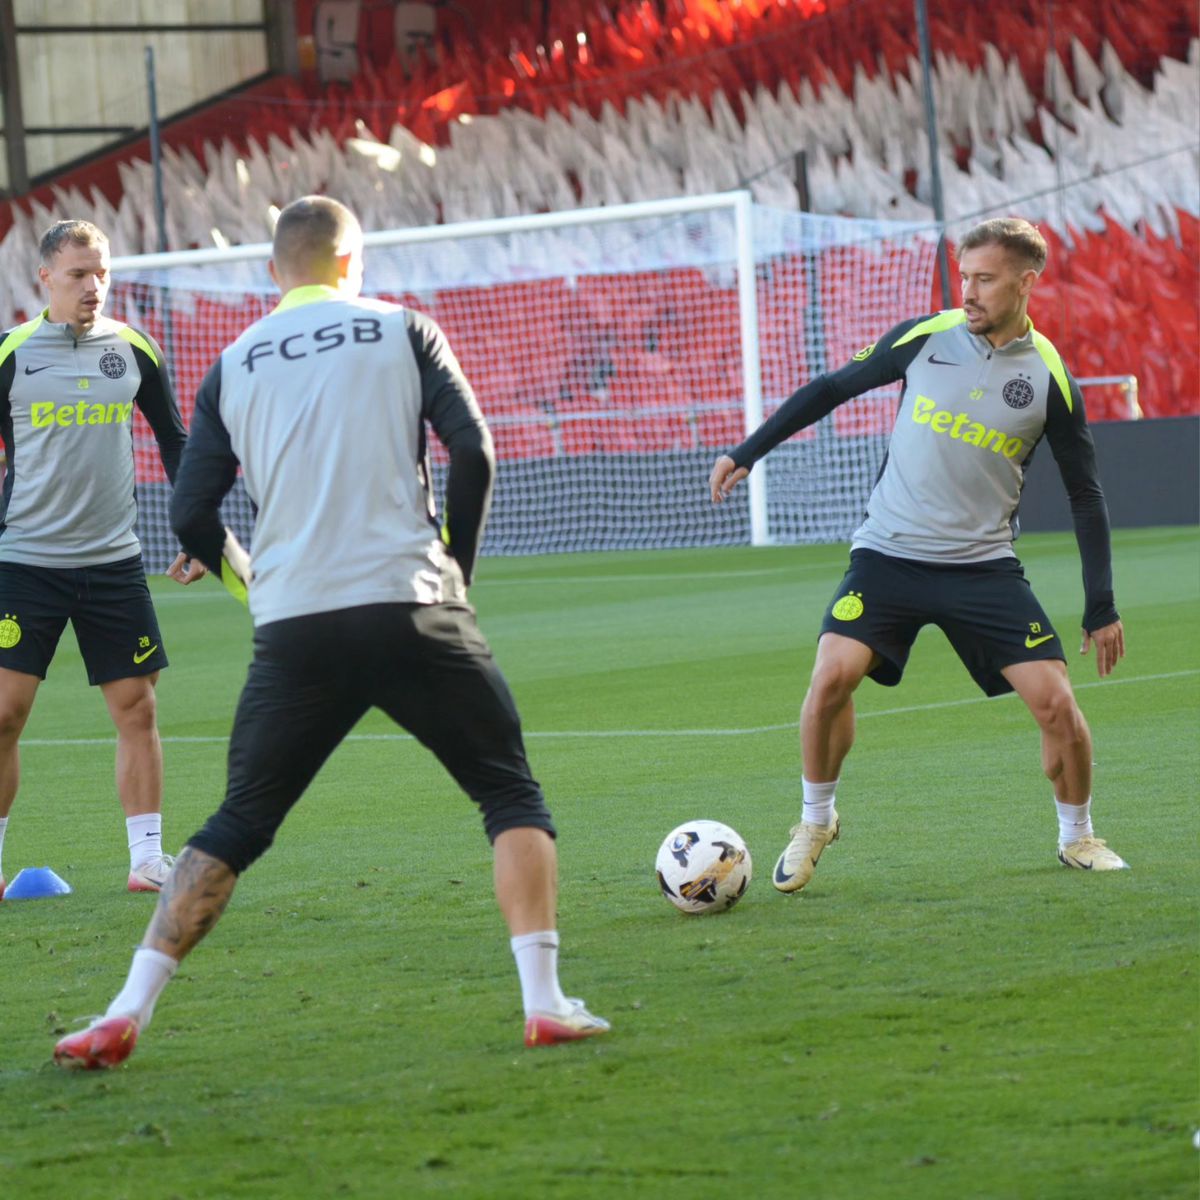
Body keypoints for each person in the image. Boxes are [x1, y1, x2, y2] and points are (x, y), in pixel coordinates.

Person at [53, 195, 608, 1070]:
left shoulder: (232, 363)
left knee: (238, 822)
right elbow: (475, 452)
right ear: (354, 263)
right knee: (509, 795)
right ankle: (544, 1002)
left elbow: (190, 511)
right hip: (412, 605)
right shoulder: (403, 330)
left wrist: (252, 578)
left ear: (275, 273)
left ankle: (127, 1009)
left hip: (297, 625)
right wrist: (456, 566)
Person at [708, 217, 1128, 894]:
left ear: (1026, 282)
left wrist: (1101, 605)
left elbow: (1087, 495)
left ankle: (1078, 835)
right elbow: (832, 389)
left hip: (982, 567)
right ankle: (816, 820)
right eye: (964, 276)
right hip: (889, 555)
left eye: (985, 279)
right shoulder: (924, 336)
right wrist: (749, 451)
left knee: (1057, 706)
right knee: (830, 679)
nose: (969, 290)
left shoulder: (1050, 377)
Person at [0, 220, 206, 901]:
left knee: (137, 709)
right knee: (5, 713)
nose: (93, 286)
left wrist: (194, 526)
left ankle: (147, 860)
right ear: (46, 280)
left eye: (102, 273)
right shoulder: (12, 353)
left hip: (114, 562)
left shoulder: (134, 348)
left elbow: (176, 441)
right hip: (24, 562)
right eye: (79, 274)